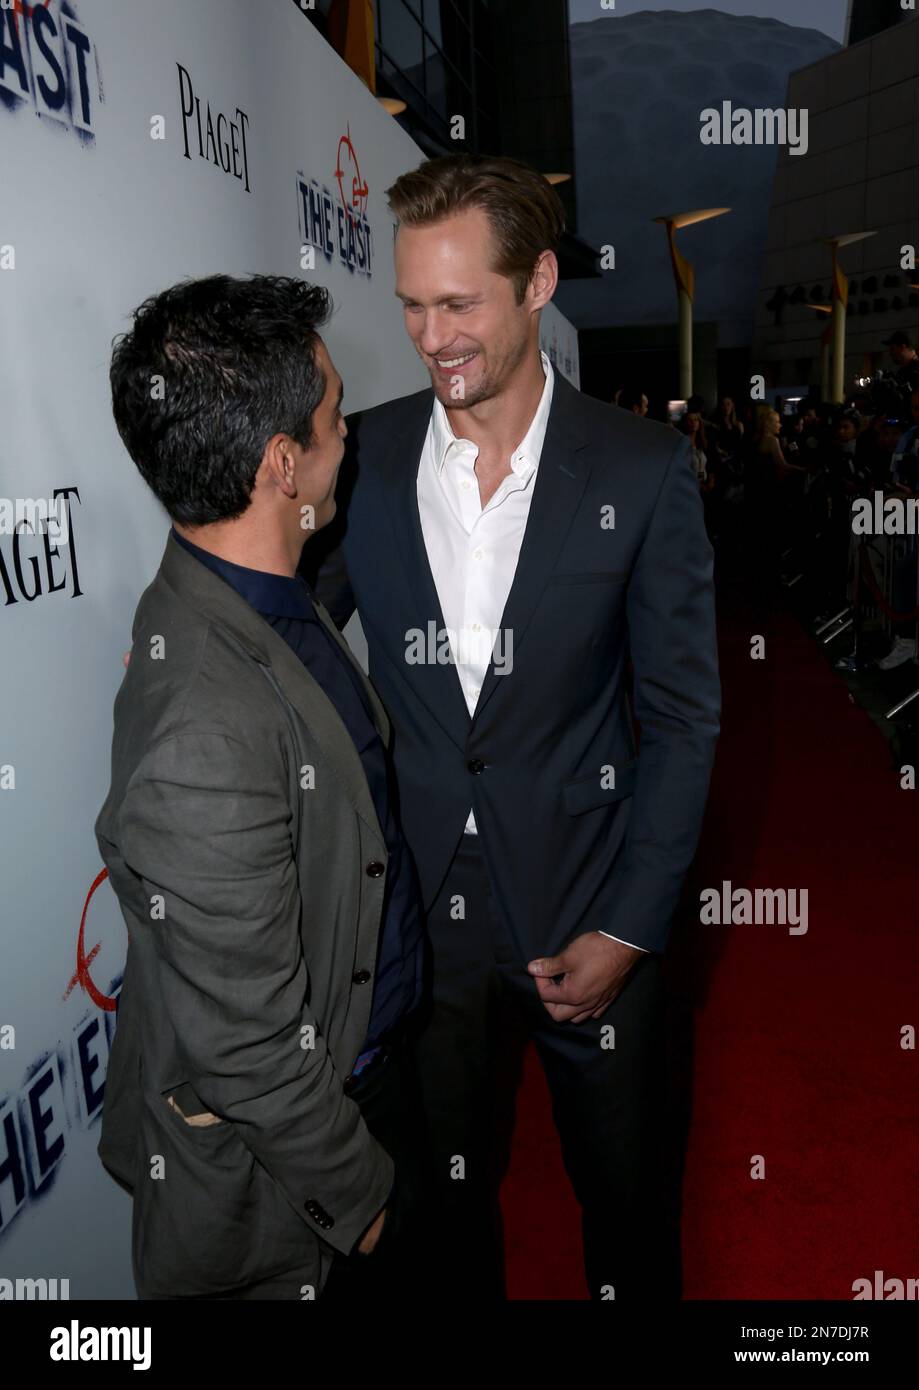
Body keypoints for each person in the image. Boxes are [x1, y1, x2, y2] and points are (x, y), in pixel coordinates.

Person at [304, 153, 721, 1301]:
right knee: (440, 1214)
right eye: (409, 304)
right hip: (421, 928)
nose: (429, 336)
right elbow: (283, 629)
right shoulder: (370, 457)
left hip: (592, 906)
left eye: (457, 303)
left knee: (627, 1211)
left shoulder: (641, 472)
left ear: (537, 282)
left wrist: (634, 928)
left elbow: (684, 717)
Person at [98, 274, 427, 1301]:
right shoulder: (201, 722)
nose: (349, 437)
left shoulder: (266, 596)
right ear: (284, 465)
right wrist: (364, 1204)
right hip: (306, 1176)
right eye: (334, 418)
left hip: (373, 1066)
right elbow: (246, 1051)